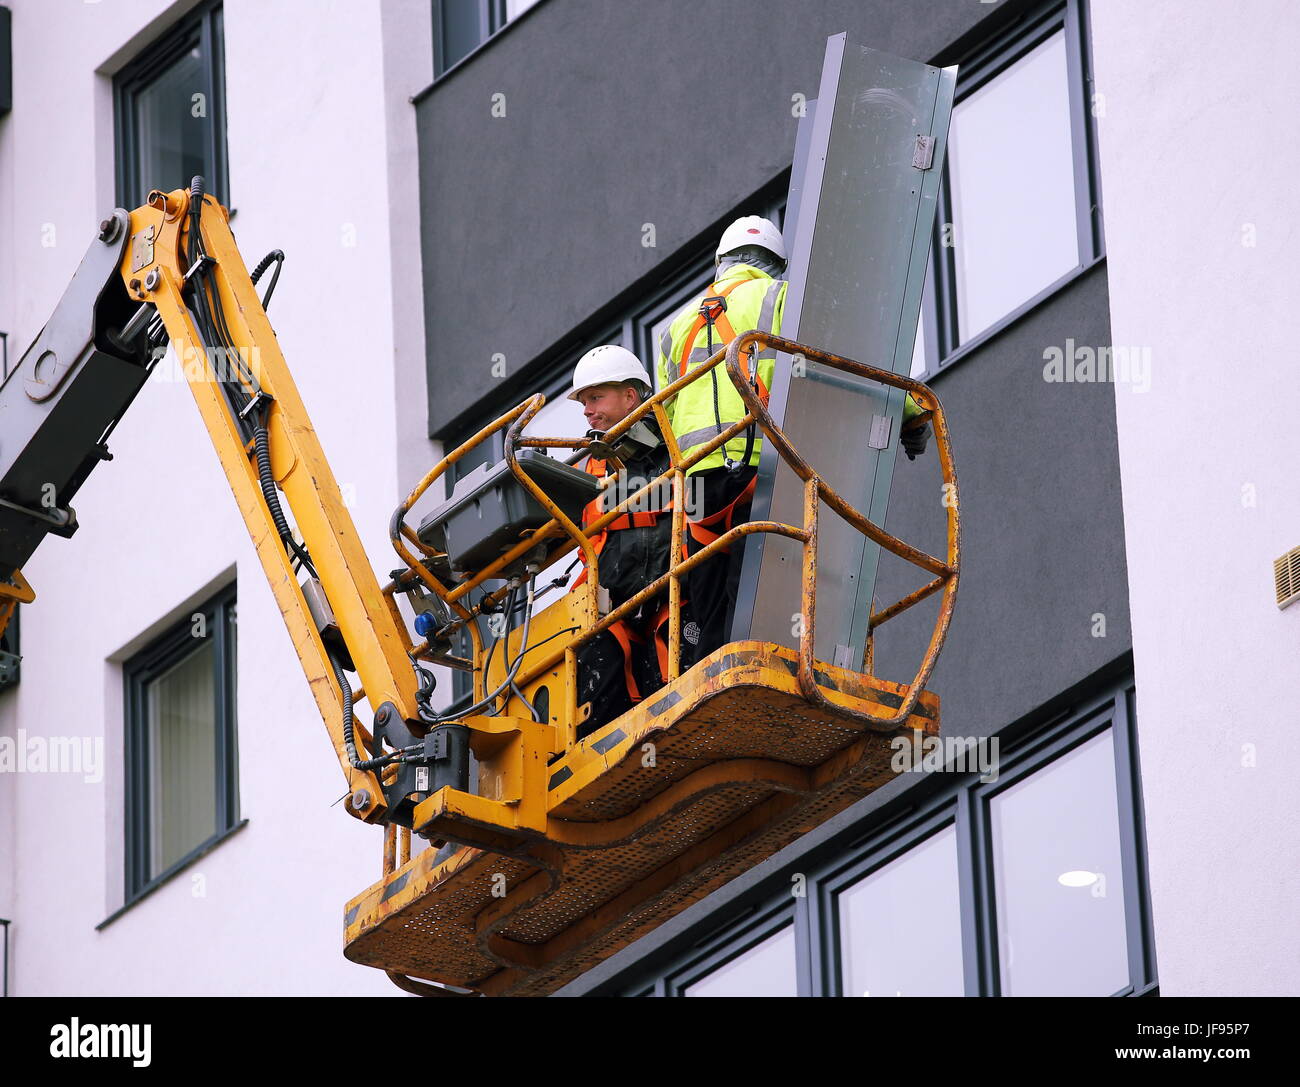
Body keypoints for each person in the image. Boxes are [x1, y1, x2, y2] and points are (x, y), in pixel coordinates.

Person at [656, 216, 930, 665]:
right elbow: (844, 359)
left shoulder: (674, 328)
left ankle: (712, 677)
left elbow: (667, 416)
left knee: (707, 598)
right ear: (776, 264)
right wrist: (910, 414)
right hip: (759, 468)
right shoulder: (779, 297)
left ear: (720, 262)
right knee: (761, 588)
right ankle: (767, 665)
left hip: (698, 488)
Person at [565, 345, 679, 739]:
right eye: (583, 401)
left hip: (671, 593)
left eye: (595, 397)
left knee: (672, 681)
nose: (586, 410)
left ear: (630, 395)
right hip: (610, 606)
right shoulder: (585, 466)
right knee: (596, 699)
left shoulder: (673, 444)